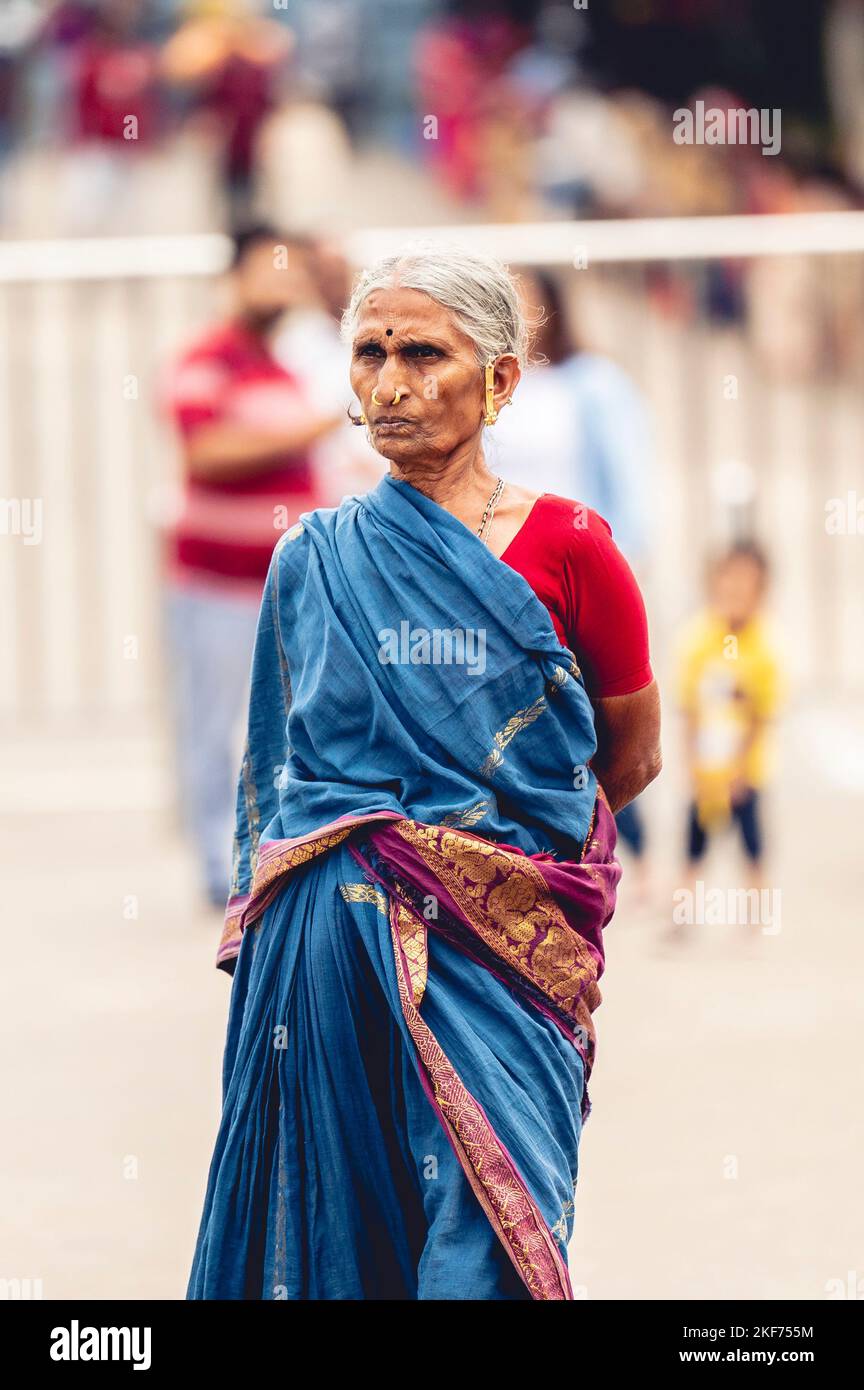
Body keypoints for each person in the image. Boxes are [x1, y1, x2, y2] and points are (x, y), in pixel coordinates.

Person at [187, 244, 661, 1301]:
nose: (392, 383)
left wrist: (483, 868)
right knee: (344, 1235)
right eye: (370, 353)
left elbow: (631, 755)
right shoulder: (313, 558)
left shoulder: (572, 548)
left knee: (492, 1228)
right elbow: (279, 773)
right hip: (329, 949)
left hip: (503, 955)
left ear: (500, 380)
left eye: (425, 354)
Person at [162, 223, 342, 908]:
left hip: (283, 586)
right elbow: (205, 451)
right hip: (217, 580)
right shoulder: (205, 358)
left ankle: (270, 855)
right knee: (213, 726)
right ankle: (217, 866)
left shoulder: (286, 368)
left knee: (287, 725)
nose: (284, 283)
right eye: (271, 269)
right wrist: (315, 427)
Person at [492, 268, 653, 888]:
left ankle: (616, 841)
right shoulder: (484, 388)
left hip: (576, 573)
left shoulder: (591, 384)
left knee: (599, 711)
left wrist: (623, 565)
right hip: (505, 579)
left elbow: (629, 476)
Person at [676, 541, 784, 905]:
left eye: (746, 586)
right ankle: (685, 902)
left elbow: (761, 716)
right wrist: (690, 759)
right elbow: (689, 707)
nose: (735, 593)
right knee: (695, 837)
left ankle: (756, 906)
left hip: (744, 769)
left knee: (751, 839)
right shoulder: (700, 638)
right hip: (707, 765)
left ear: (761, 592)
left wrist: (741, 770)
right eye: (728, 583)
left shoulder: (763, 649)